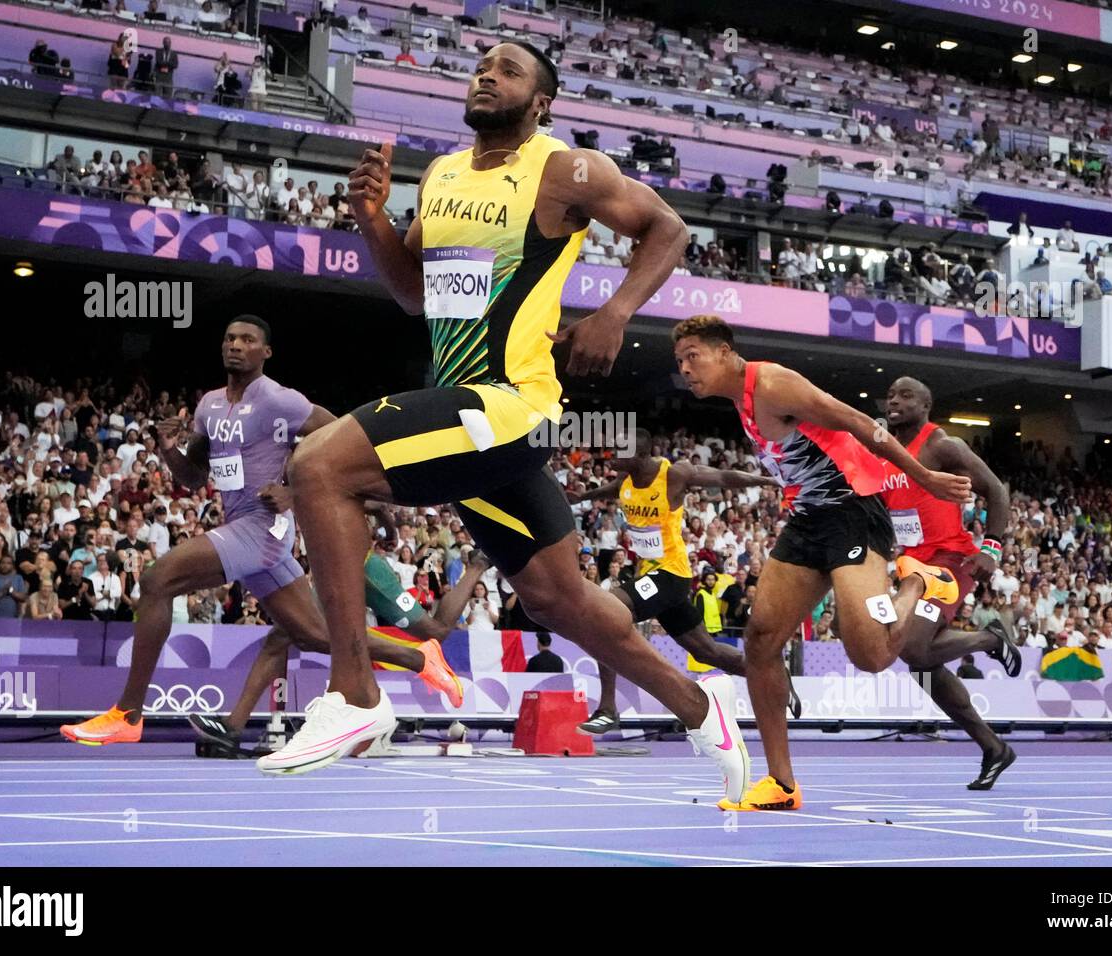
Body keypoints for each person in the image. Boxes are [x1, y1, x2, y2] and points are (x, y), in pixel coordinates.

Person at [271, 40, 749, 801]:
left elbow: (667, 228)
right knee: (562, 600)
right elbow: (414, 295)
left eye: (509, 70)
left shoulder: (564, 168)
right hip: (464, 414)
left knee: (317, 466)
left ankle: (357, 698)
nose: (487, 75)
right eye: (481, 67)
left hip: (510, 405)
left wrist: (615, 312)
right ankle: (701, 704)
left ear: (541, 102)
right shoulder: (442, 174)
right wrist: (371, 219)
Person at [60, 317, 454, 749]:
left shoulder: (281, 401)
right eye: (229, 337)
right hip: (241, 527)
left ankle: (127, 715)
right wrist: (169, 449)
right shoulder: (209, 405)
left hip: (263, 530)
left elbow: (347, 443)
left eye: (248, 340)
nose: (235, 345)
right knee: (313, 635)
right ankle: (420, 657)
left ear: (265, 352)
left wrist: (293, 489)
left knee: (157, 580)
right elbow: (194, 478)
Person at [671, 315, 970, 812]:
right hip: (808, 520)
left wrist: (925, 477)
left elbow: (858, 421)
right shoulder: (741, 404)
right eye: (679, 361)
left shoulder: (772, 383)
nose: (684, 368)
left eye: (693, 356)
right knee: (761, 641)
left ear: (724, 352)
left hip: (855, 513)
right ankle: (782, 784)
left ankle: (918, 582)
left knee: (871, 656)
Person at [187, 504, 483, 752]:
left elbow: (378, 509)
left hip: (365, 570)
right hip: (334, 569)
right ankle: (233, 727)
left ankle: (476, 568)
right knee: (284, 634)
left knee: (435, 630)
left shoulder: (335, 469)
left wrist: (386, 529)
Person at [566, 428, 779, 734]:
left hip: (671, 573)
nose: (611, 457)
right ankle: (770, 674)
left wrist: (767, 480)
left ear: (639, 456)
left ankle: (608, 708)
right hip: (652, 577)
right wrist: (582, 497)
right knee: (706, 651)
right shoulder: (626, 482)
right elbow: (611, 490)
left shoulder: (674, 476)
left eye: (619, 452)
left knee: (605, 611)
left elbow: (723, 478)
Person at [881, 375, 1021, 790]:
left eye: (906, 396)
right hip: (909, 564)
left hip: (950, 560)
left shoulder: (942, 444)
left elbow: (996, 490)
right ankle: (993, 747)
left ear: (925, 406)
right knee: (920, 666)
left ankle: (990, 640)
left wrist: (990, 550)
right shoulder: (881, 447)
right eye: (890, 395)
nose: (894, 401)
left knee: (910, 648)